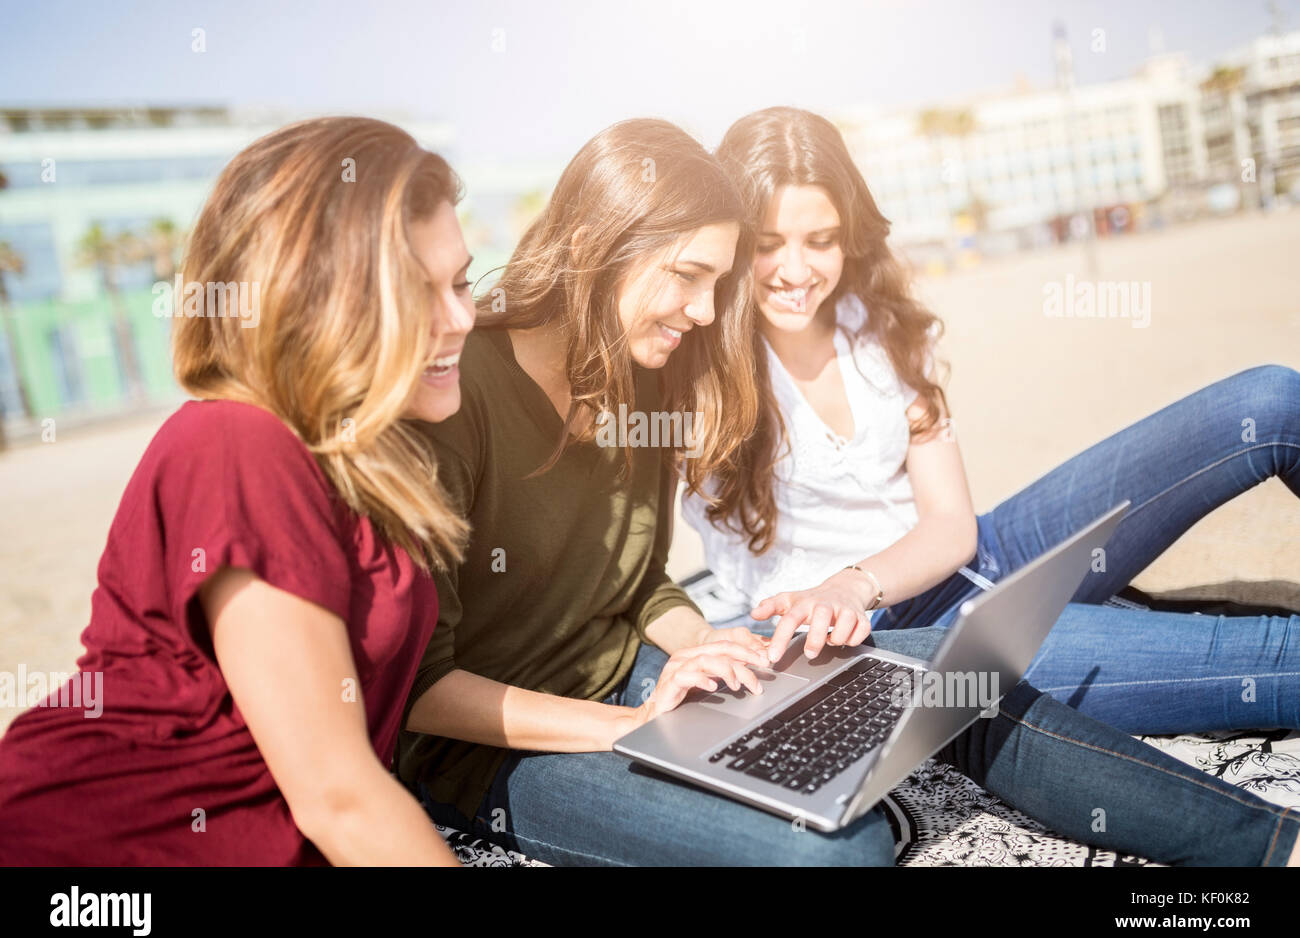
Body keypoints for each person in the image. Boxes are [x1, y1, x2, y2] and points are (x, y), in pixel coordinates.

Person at [399, 117, 1300, 867]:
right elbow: (419, 689)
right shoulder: (476, 390)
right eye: (693, 277)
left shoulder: (644, 373)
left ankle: (1273, 848)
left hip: (668, 663)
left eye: (717, 283)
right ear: (606, 244)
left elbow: (633, 585)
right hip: (500, 745)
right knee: (841, 851)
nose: (709, 311)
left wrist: (706, 644)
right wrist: (633, 724)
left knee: (957, 684)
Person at [683, 106, 1300, 737]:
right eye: (766, 246)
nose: (795, 271)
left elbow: (952, 525)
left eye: (821, 241)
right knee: (1267, 659)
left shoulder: (879, 327)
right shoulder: (689, 365)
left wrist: (855, 582)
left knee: (1271, 401)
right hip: (898, 641)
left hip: (983, 551)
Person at [0, 117, 472, 865]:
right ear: (317, 302)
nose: (461, 318)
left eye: (463, 281)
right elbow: (339, 796)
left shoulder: (360, 456)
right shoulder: (240, 445)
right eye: (420, 292)